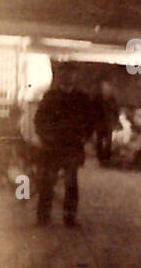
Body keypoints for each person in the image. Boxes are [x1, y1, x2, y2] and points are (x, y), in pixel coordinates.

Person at [33, 66, 100, 227]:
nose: (68, 78)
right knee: (48, 181)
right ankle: (43, 217)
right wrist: (45, 137)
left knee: (70, 183)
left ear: (75, 77)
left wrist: (84, 137)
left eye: (71, 75)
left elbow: (90, 120)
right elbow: (39, 120)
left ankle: (69, 218)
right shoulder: (51, 97)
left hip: (72, 146)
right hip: (53, 146)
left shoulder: (81, 98)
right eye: (65, 75)